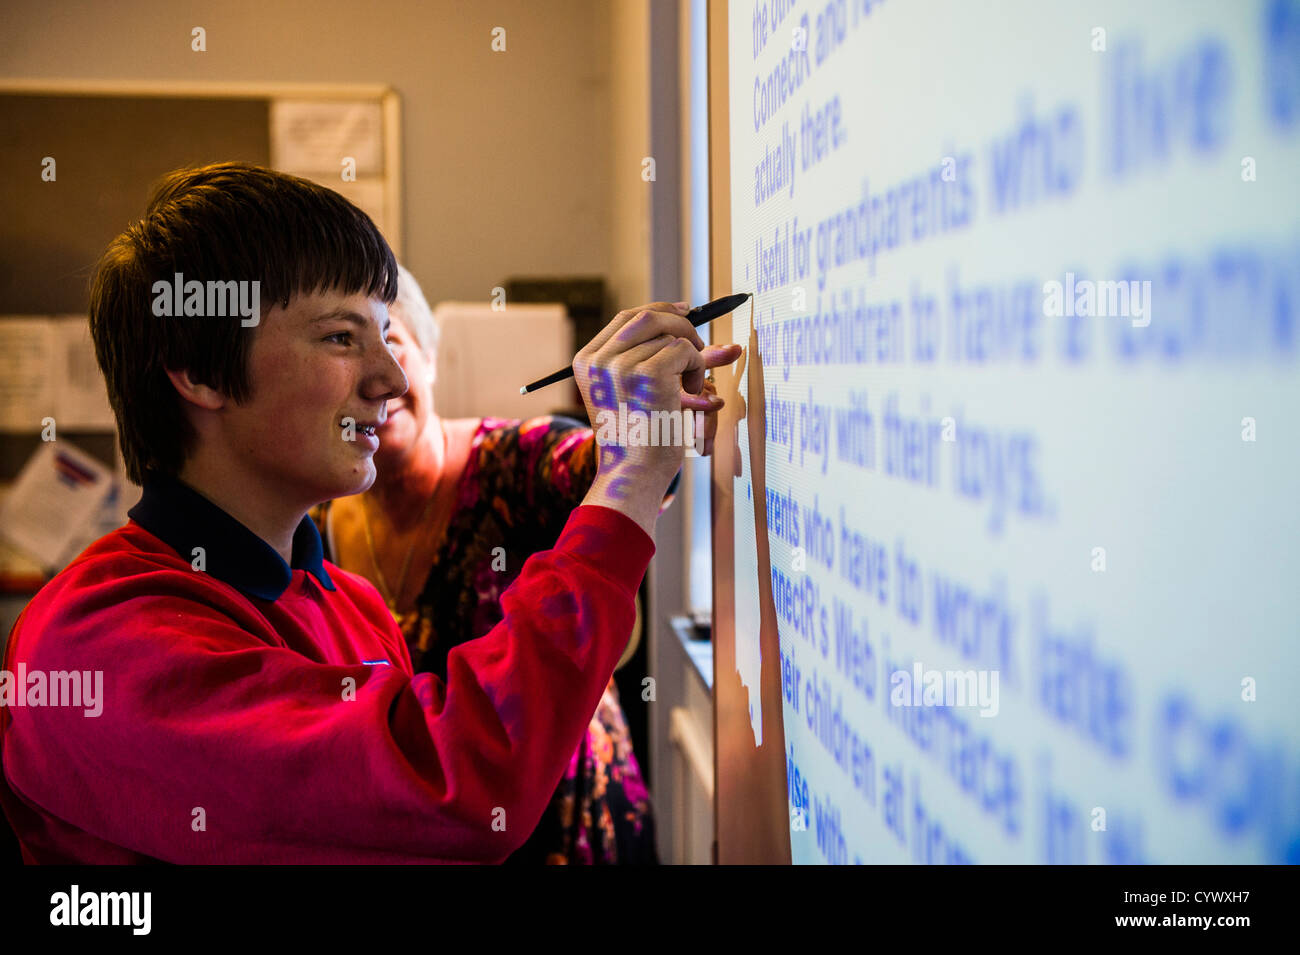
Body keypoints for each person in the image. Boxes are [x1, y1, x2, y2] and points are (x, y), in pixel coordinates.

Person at [0, 161, 741, 863]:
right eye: (340, 338)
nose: (390, 379)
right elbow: (455, 788)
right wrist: (634, 472)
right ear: (197, 371)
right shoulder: (96, 640)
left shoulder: (342, 597)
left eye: (387, 335)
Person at [310, 266, 726, 863]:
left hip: (574, 826)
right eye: (342, 350)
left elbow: (614, 472)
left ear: (427, 358)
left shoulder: (515, 460)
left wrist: (649, 426)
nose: (379, 380)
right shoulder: (317, 519)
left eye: (392, 343)